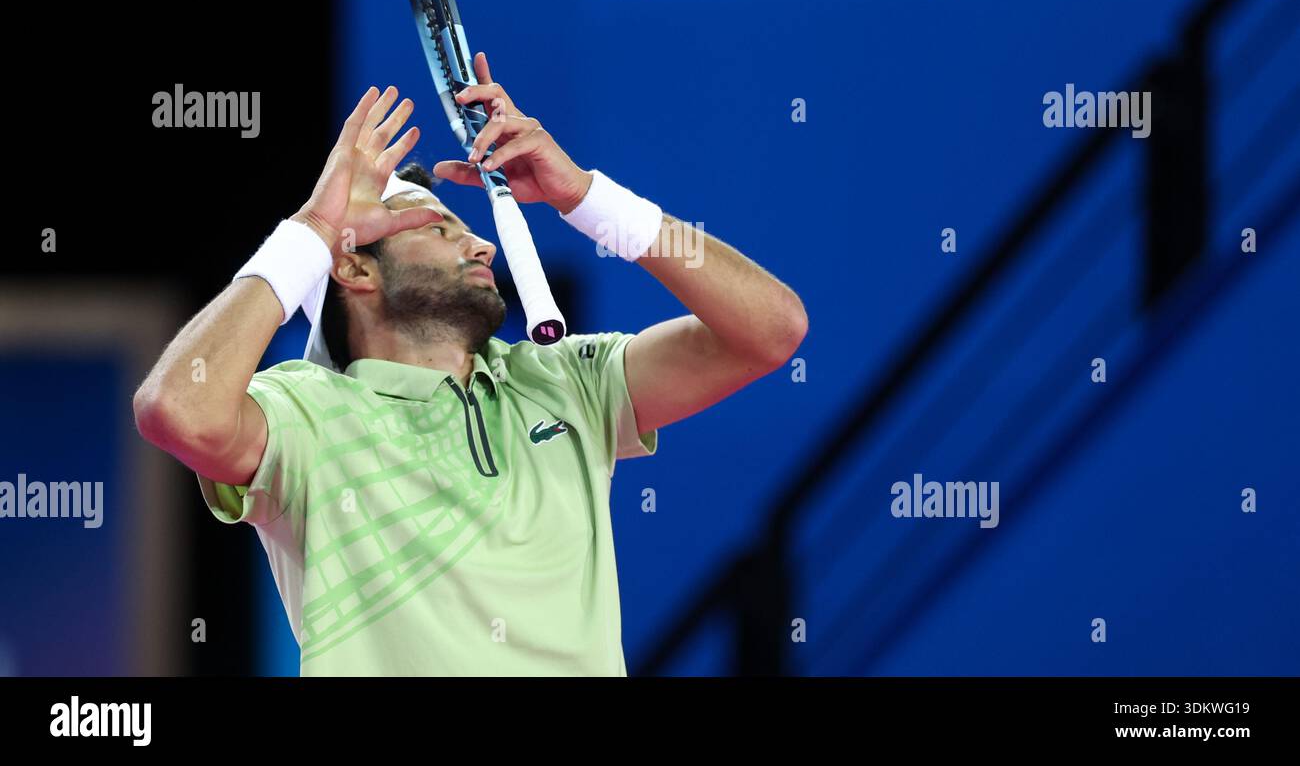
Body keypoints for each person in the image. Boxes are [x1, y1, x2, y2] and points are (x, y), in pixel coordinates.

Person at [133, 52, 808, 675]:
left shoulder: (567, 382)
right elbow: (175, 409)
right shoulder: (306, 416)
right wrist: (311, 229)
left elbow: (772, 330)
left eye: (468, 225)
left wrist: (590, 200)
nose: (483, 242)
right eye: (439, 227)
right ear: (354, 266)